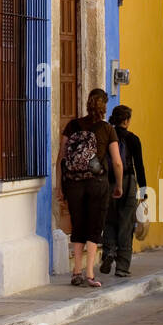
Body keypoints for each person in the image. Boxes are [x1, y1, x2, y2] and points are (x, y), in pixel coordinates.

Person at [59, 89, 123, 287]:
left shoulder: (72, 126)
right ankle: (89, 273)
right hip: (97, 184)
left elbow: (60, 159)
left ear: (87, 104)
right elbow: (117, 162)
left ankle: (76, 272)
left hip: (73, 183)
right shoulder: (107, 129)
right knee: (95, 226)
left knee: (78, 225)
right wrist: (119, 185)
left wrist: (59, 187)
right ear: (104, 107)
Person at [100, 104, 146, 277]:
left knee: (109, 220)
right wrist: (143, 189)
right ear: (126, 121)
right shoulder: (133, 139)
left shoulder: (107, 136)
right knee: (126, 224)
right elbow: (139, 165)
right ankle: (122, 266)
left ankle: (109, 251)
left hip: (108, 182)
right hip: (127, 182)